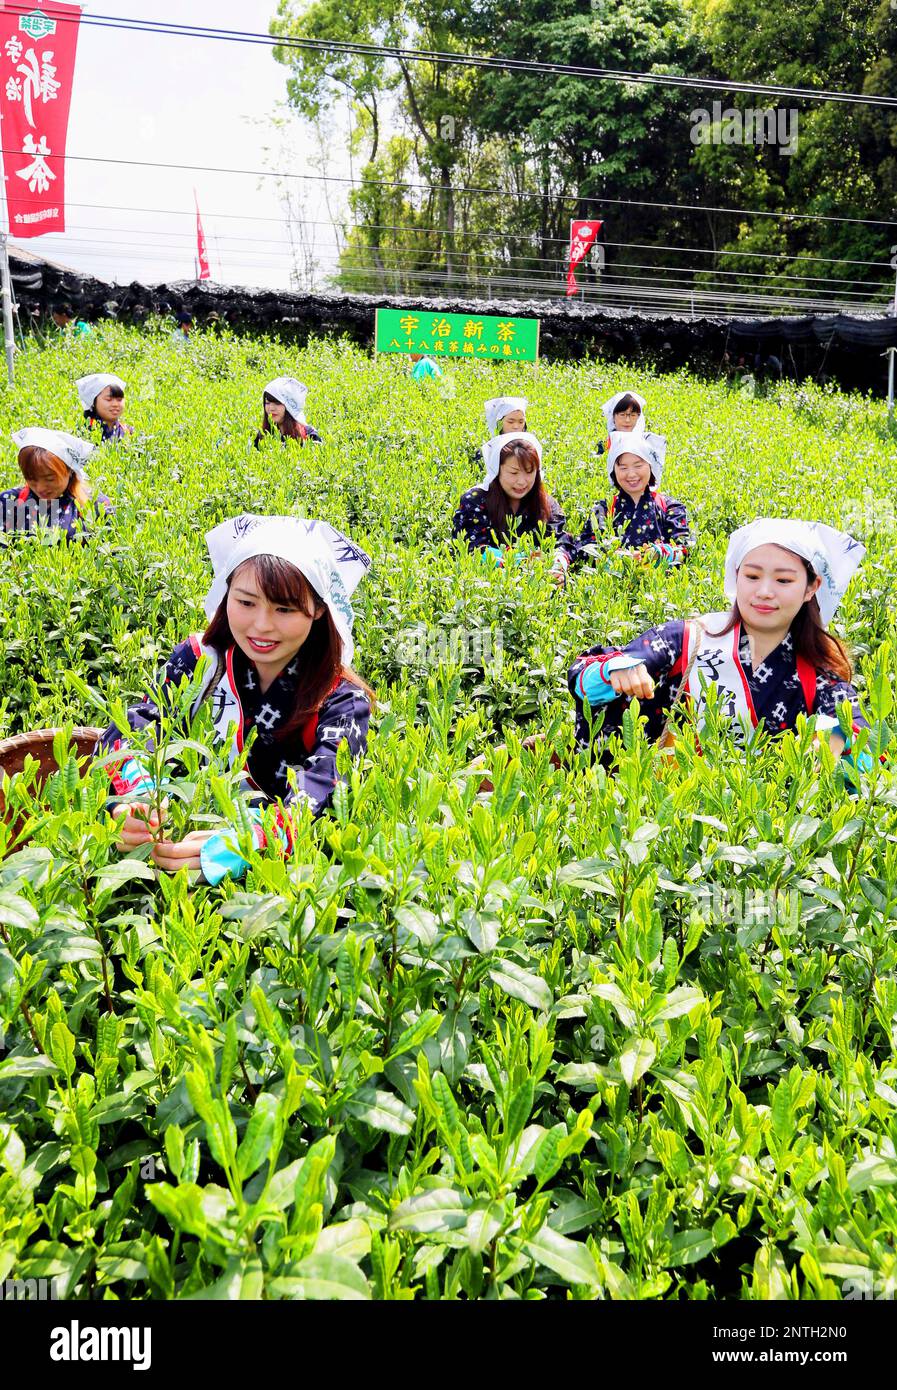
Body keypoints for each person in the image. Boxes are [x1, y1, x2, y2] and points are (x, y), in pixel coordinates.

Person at [98, 515, 373, 884]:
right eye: (246, 602)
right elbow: (130, 727)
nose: (261, 625)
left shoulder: (341, 701)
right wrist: (139, 800)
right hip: (167, 856)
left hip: (274, 887)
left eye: (285, 609)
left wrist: (247, 841)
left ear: (320, 609)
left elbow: (326, 791)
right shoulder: (201, 662)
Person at [568, 519, 871, 770]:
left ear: (811, 588)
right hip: (649, 812)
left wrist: (836, 738)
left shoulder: (818, 676)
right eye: (752, 576)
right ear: (736, 577)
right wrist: (613, 673)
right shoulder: (688, 639)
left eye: (783, 581)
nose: (764, 592)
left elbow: (854, 725)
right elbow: (582, 677)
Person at [452, 431, 575, 583]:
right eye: (513, 472)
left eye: (529, 472)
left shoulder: (547, 505)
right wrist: (522, 561)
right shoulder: (475, 501)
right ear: (497, 470)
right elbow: (471, 548)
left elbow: (561, 541)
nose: (522, 481)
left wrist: (557, 565)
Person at [577, 431, 693, 568]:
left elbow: (685, 547)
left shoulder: (670, 507)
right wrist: (615, 558)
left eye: (638, 466)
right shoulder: (604, 509)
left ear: (651, 466)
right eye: (623, 467)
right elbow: (585, 548)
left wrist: (657, 554)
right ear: (613, 471)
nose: (631, 474)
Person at [0, 429, 113, 539]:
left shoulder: (96, 505)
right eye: (31, 479)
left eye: (49, 479)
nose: (40, 488)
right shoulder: (9, 502)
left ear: (70, 471)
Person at [253, 378, 322, 448]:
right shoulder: (262, 436)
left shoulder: (309, 436)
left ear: (289, 406)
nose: (271, 408)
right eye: (267, 403)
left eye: (277, 403)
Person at [76, 373, 134, 443]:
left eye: (119, 399)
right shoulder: (83, 433)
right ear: (93, 402)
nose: (115, 404)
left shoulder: (128, 432)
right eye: (109, 399)